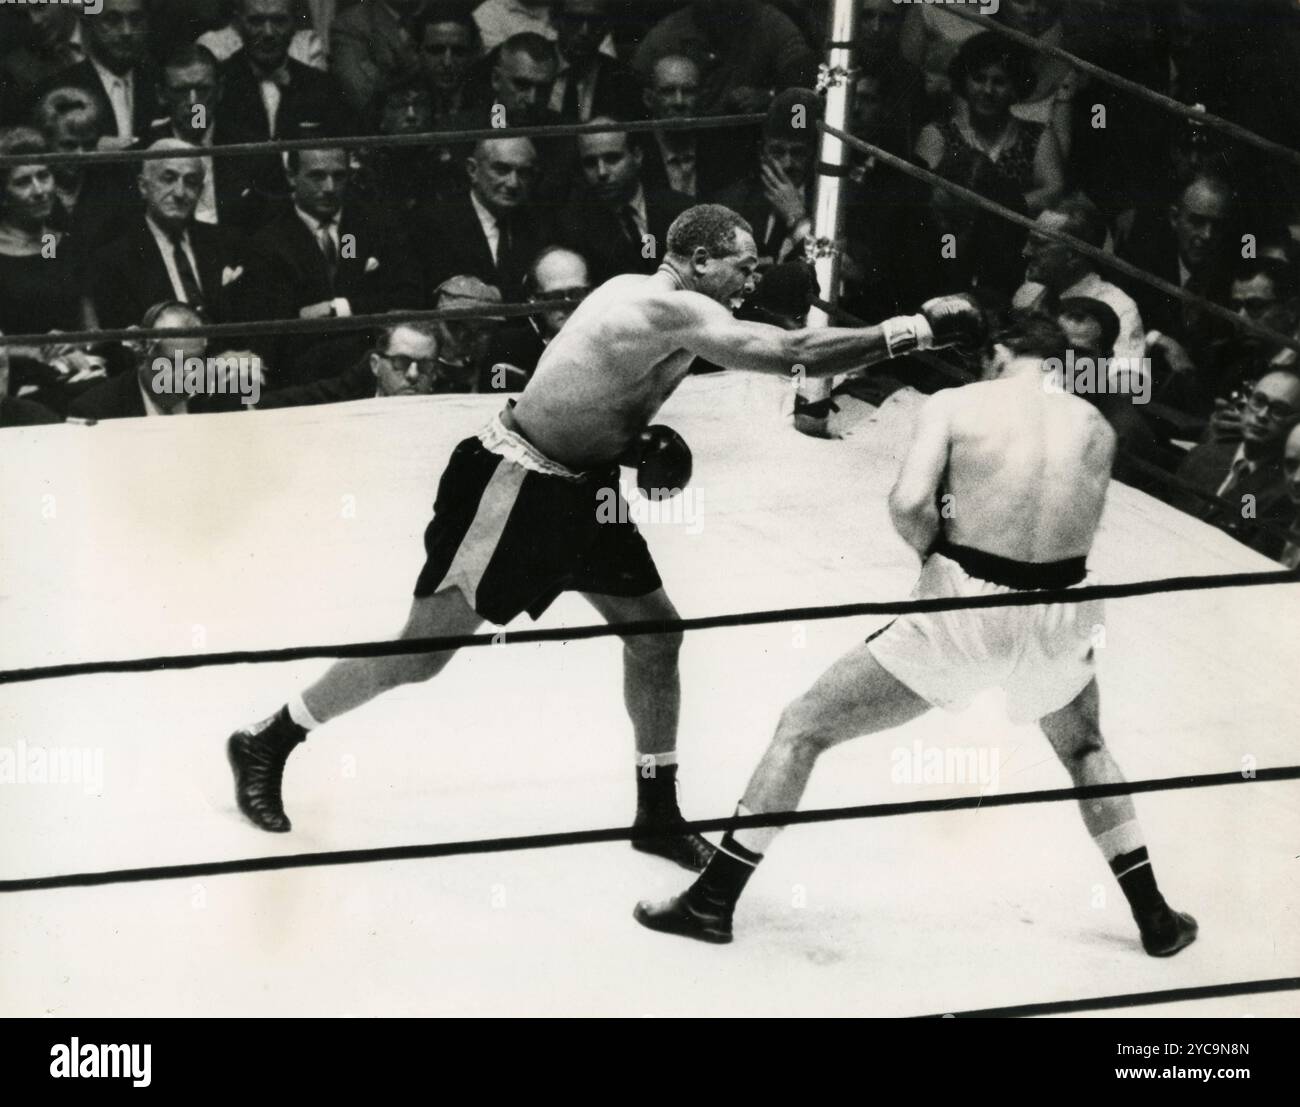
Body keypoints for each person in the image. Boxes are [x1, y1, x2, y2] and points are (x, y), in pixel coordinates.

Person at [225, 203, 986, 875]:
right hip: (513, 486)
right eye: (740, 266)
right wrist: (912, 329)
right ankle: (271, 735)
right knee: (423, 652)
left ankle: (657, 811)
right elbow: (791, 354)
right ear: (695, 260)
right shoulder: (659, 308)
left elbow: (596, 392)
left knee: (656, 635)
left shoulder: (684, 311)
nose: (750, 281)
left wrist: (632, 445)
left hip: (582, 491)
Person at [635, 317, 1199, 958]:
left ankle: (712, 902)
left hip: (965, 606)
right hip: (1063, 608)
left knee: (804, 728)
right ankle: (1156, 917)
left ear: (1000, 354)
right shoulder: (1097, 426)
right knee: (1086, 747)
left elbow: (907, 502)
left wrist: (938, 556)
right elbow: (1074, 524)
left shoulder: (956, 403)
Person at [915, 32, 1063, 215]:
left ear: (1015, 86)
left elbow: (1053, 191)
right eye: (978, 79)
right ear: (964, 81)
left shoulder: (1037, 135)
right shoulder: (937, 134)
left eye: (999, 82)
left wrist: (989, 211)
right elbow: (925, 191)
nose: (987, 90)